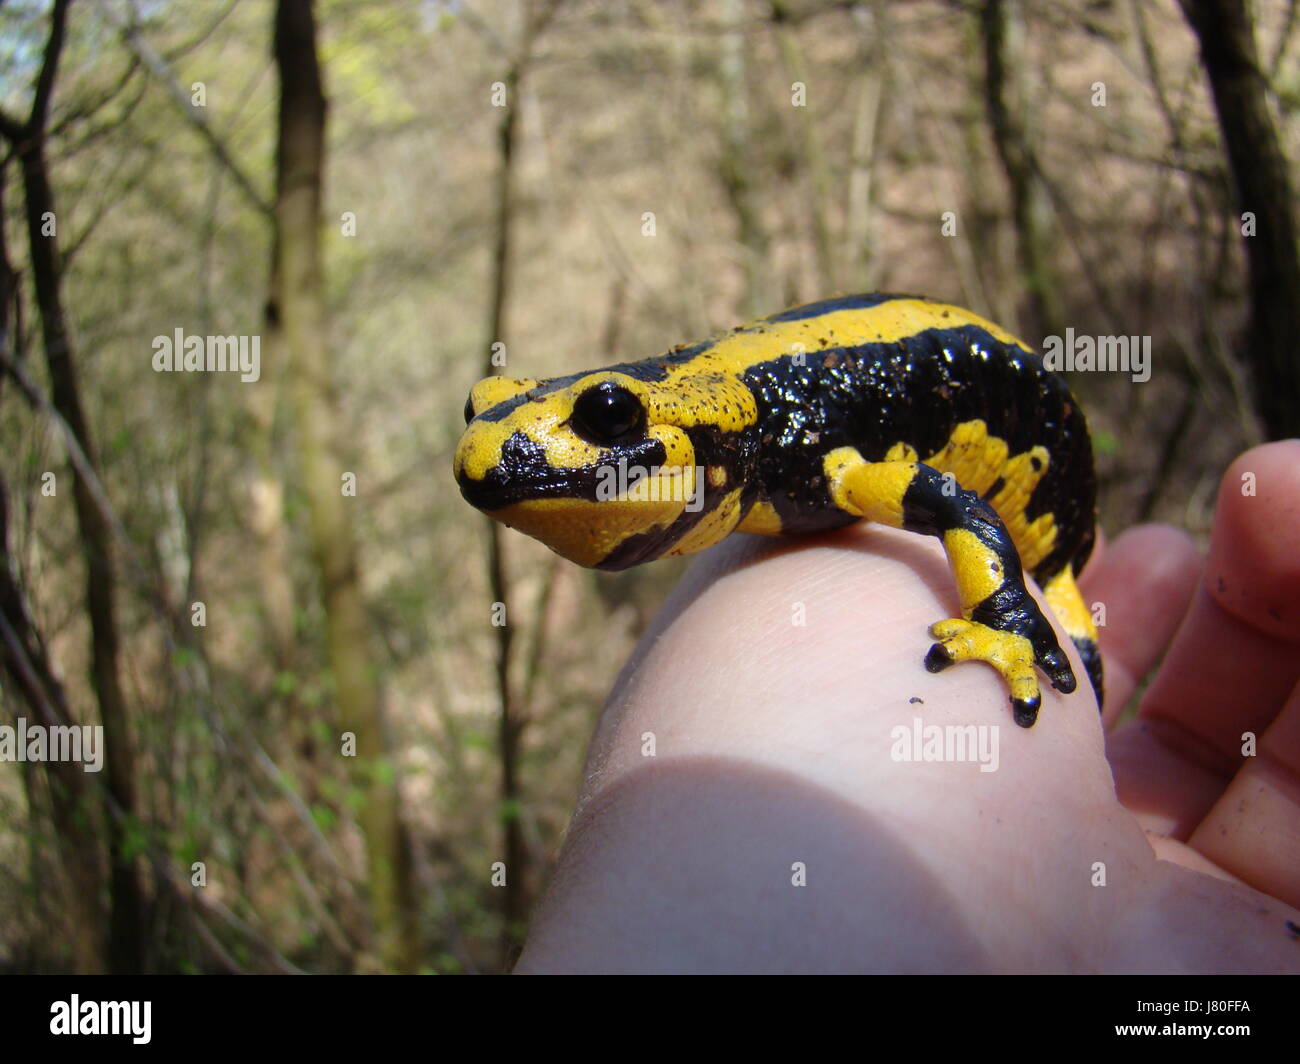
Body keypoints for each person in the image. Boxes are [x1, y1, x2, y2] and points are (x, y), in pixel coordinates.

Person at [515, 442, 1300, 973]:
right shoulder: (773, 478)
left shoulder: (828, 462)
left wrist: (1005, 619)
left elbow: (963, 507)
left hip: (1049, 545)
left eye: (614, 420)